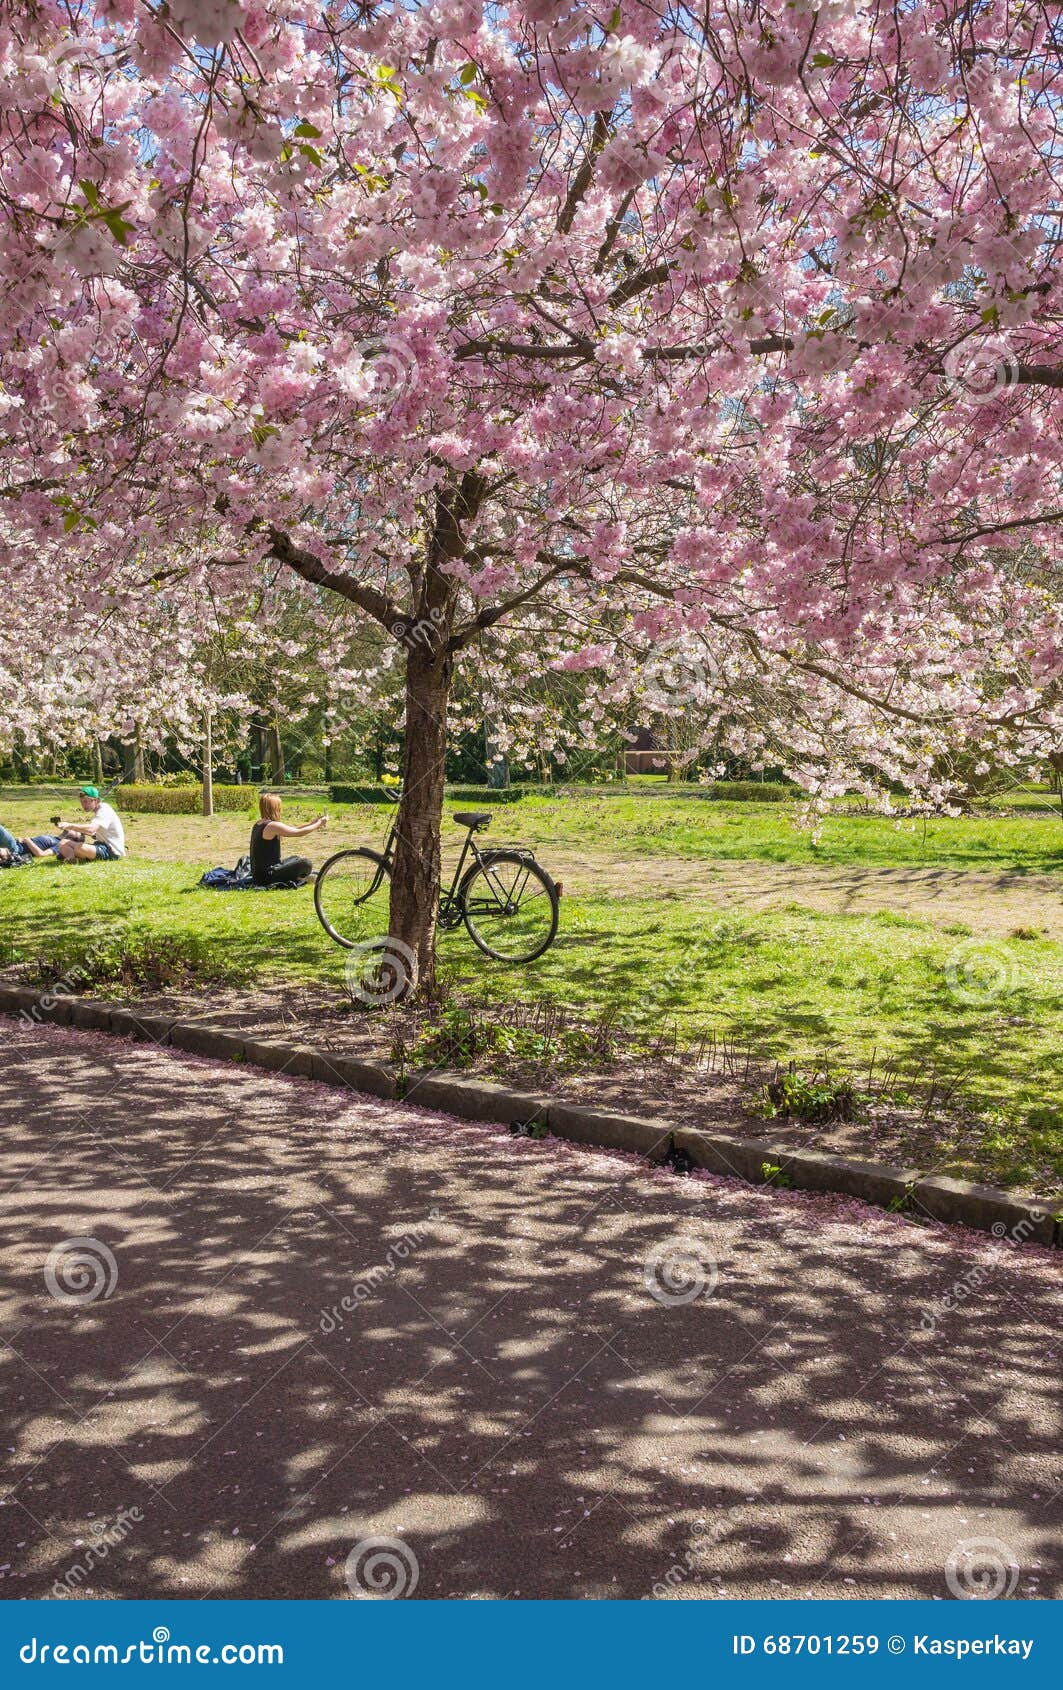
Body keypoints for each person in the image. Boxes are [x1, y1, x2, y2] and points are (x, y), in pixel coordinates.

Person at [250, 792, 327, 888]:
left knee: (295, 858)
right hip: (267, 878)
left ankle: (299, 877)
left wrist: (314, 822)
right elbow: (298, 833)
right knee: (306, 863)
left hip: (260, 875)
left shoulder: (259, 823)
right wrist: (318, 824)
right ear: (274, 808)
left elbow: (296, 828)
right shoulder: (272, 826)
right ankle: (301, 879)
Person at [50, 786, 126, 863]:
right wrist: (67, 828)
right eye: (81, 802)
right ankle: (71, 858)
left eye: (85, 801)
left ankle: (74, 855)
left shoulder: (104, 810)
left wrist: (70, 825)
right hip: (100, 845)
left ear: (95, 800)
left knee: (79, 847)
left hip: (112, 851)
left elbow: (91, 829)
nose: (83, 805)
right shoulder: (99, 810)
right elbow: (94, 833)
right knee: (62, 843)